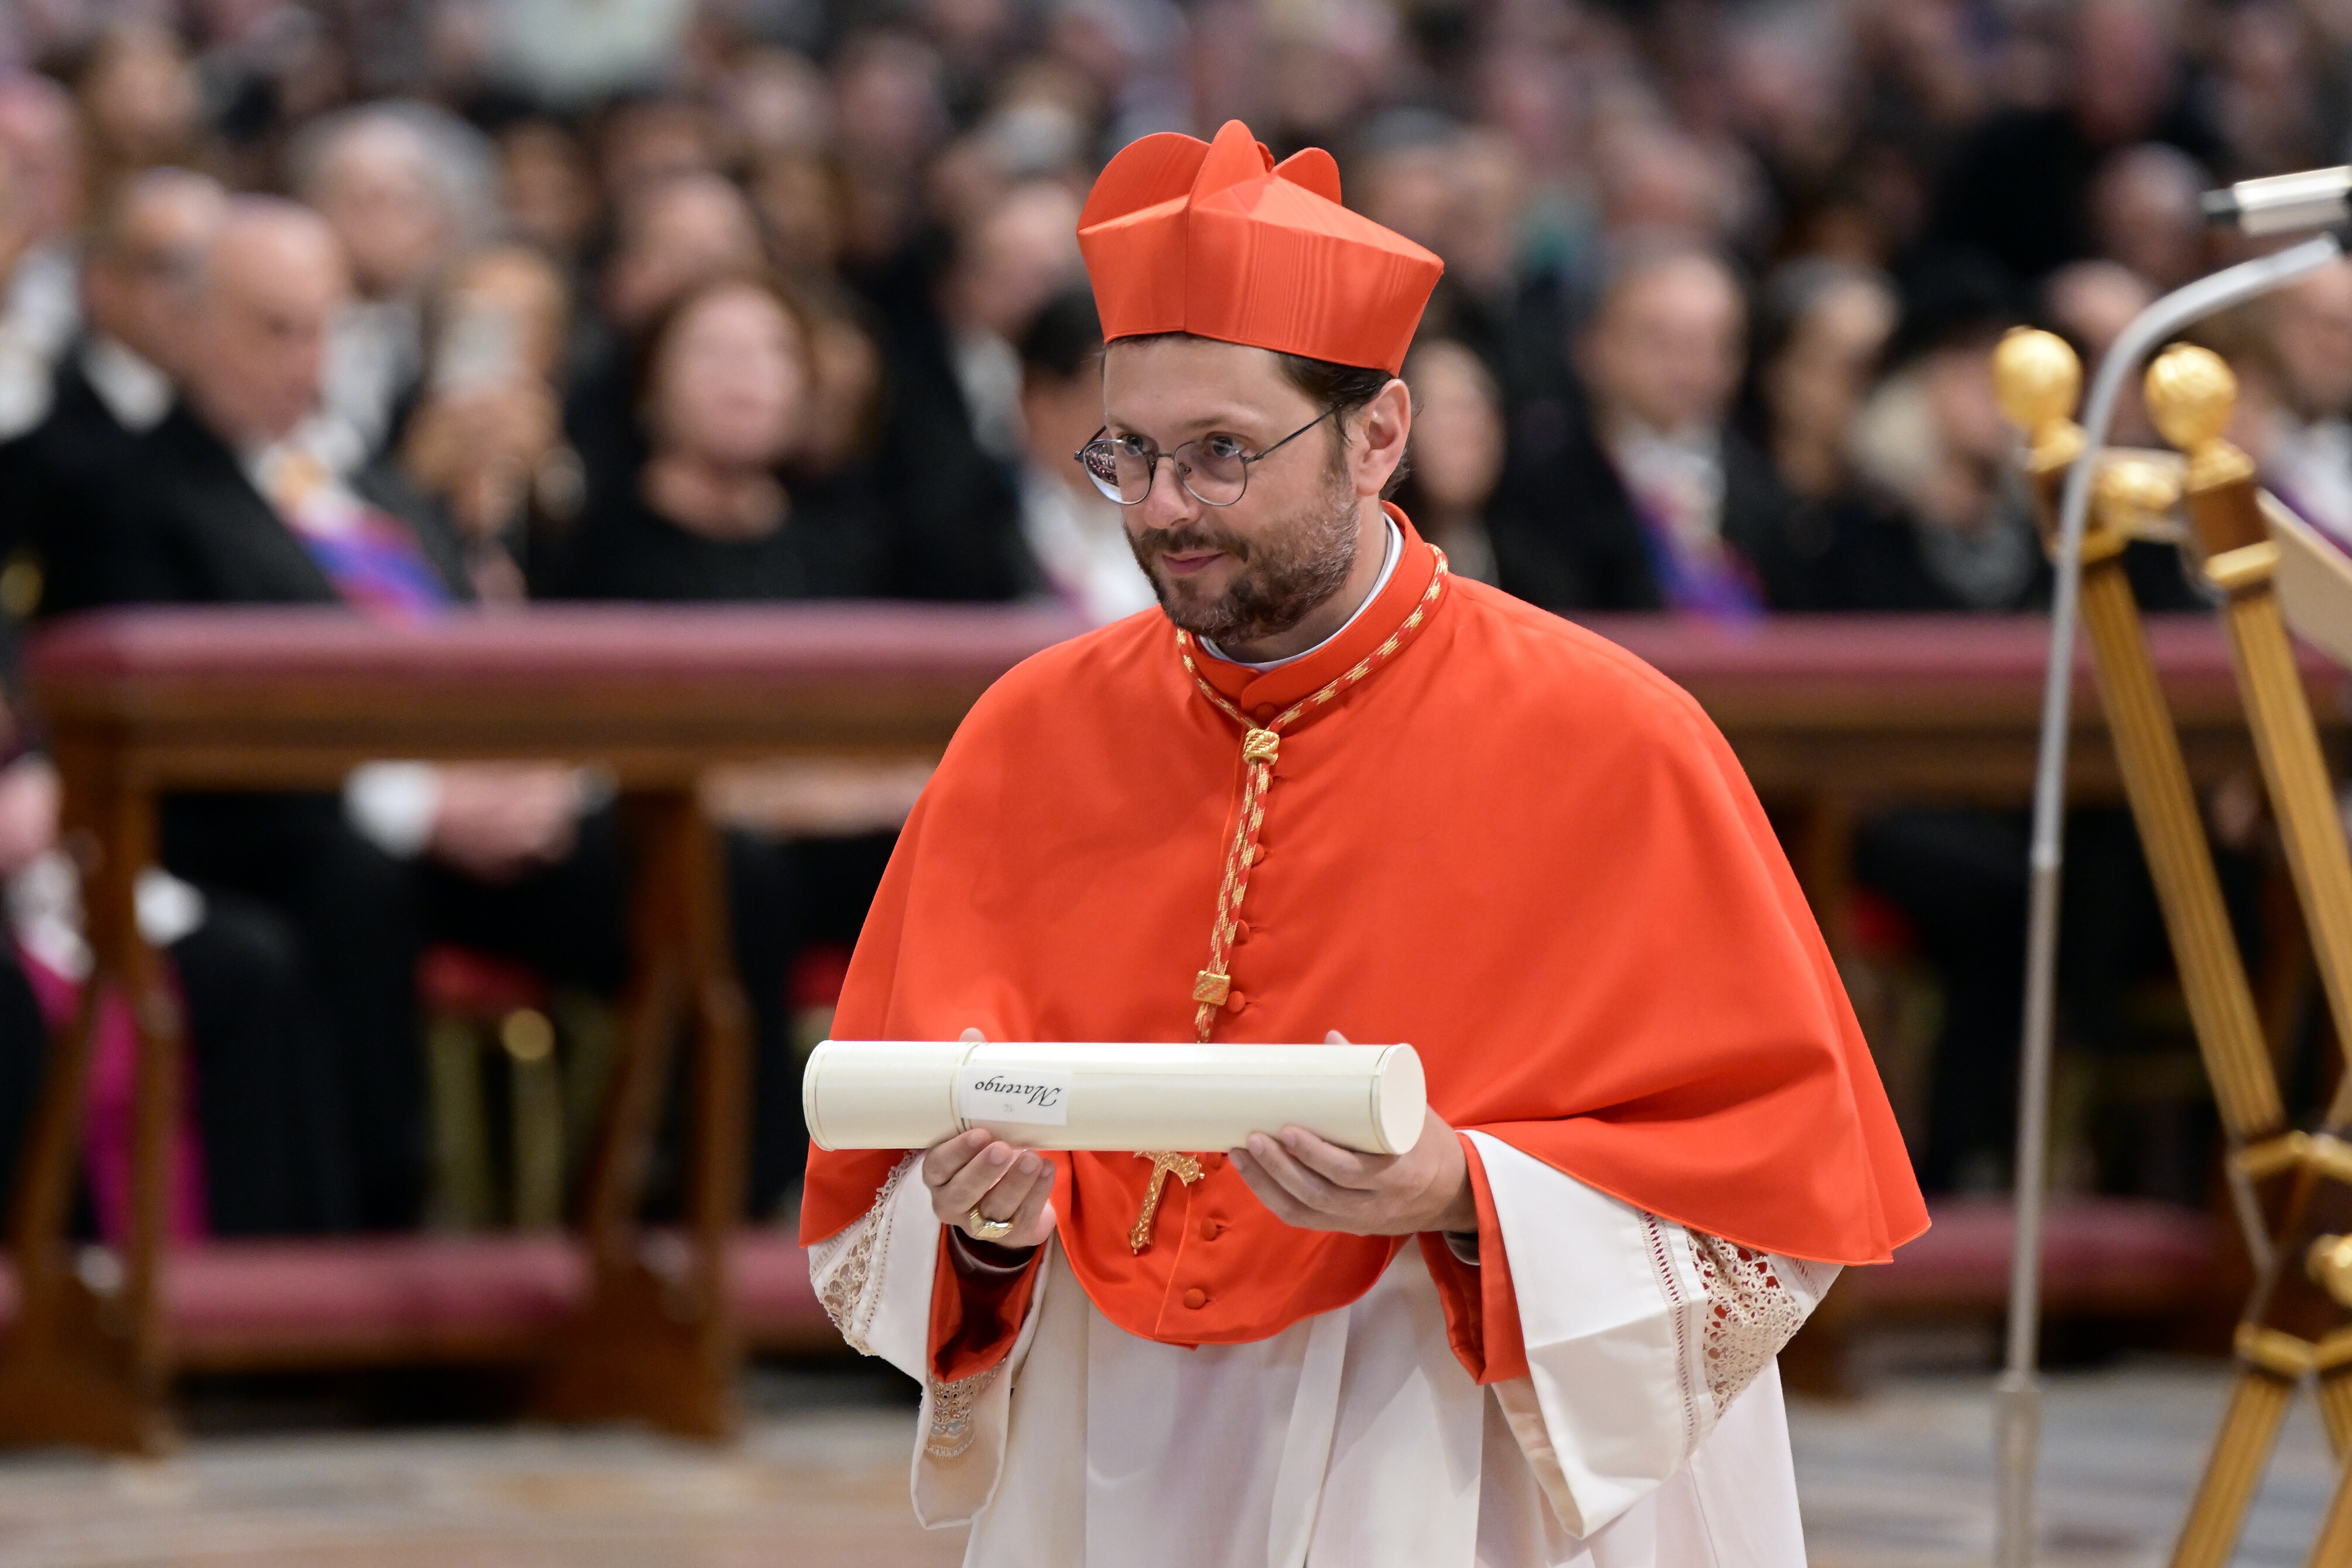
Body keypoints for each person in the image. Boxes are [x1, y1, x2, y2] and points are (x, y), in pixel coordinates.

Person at [803, 120, 1924, 1566]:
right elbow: (887, 1168)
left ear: (1377, 435)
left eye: (1219, 454)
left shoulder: (1608, 733)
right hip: (1119, 1429)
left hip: (1458, 1415)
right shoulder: (1028, 730)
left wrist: (1466, 1185)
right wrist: (980, 1225)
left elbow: (1759, 1194)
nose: (1160, 509)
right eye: (1126, 453)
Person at [49, 199, 621, 1228]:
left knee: (696, 865)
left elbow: (468, 657)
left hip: (461, 820)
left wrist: (526, 772)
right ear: (188, 327)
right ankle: (372, 1246)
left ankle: (675, 1226)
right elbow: (190, 727)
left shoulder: (381, 485)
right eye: (274, 327)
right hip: (270, 831)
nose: (306, 358)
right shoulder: (124, 492)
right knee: (349, 883)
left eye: (326, 326)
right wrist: (413, 806)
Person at [547, 270, 891, 1219]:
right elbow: (605, 747)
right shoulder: (599, 545)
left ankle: (944, 1194)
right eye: (715, 352)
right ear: (652, 385)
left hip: (824, 828)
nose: (749, 376)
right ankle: (747, 1196)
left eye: (772, 352)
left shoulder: (836, 540)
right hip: (649, 846)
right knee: (735, 871)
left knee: (960, 853)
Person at [1488, 241, 1800, 612]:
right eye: (1659, 340)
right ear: (1592, 346)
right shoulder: (1536, 486)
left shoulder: (1775, 487)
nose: (1689, 367)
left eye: (1716, 344)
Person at [0, 169, 224, 619]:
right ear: (100, 279)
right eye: (174, 269)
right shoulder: (35, 422)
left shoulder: (237, 426)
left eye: (216, 272)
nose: (195, 296)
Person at [1011, 285, 1156, 624]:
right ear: (1039, 404)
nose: (1134, 454)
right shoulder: (973, 533)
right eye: (1114, 427)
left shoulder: (1174, 518)